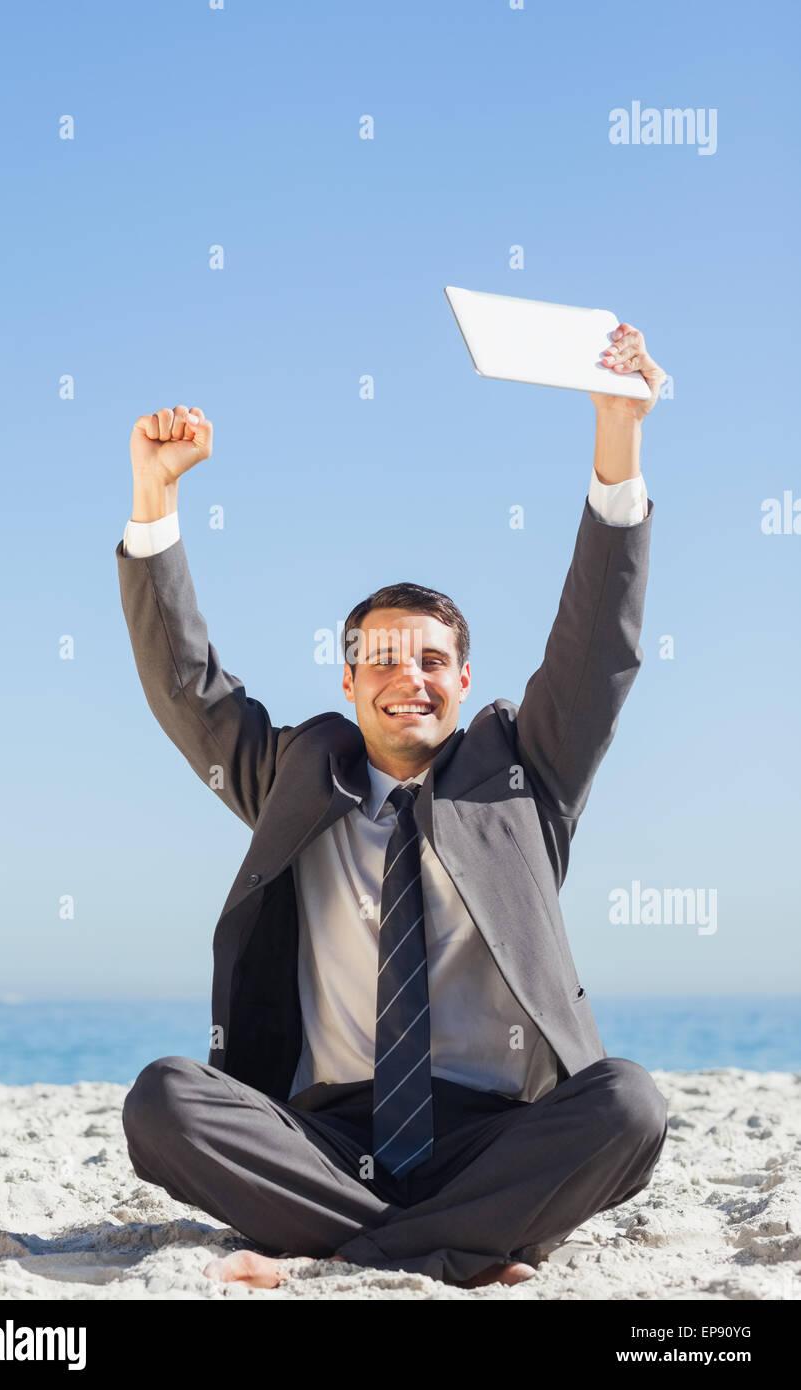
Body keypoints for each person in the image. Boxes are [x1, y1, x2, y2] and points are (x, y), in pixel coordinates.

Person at [117, 323, 669, 1290]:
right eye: (378, 657)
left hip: (492, 1136)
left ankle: (346, 1251)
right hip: (326, 1132)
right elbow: (188, 689)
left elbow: (598, 650)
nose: (403, 678)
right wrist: (155, 499)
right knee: (164, 1099)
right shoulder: (298, 772)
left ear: (464, 680)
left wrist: (617, 438)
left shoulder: (523, 770)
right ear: (345, 680)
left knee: (629, 1105)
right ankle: (456, 1248)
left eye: (428, 660)